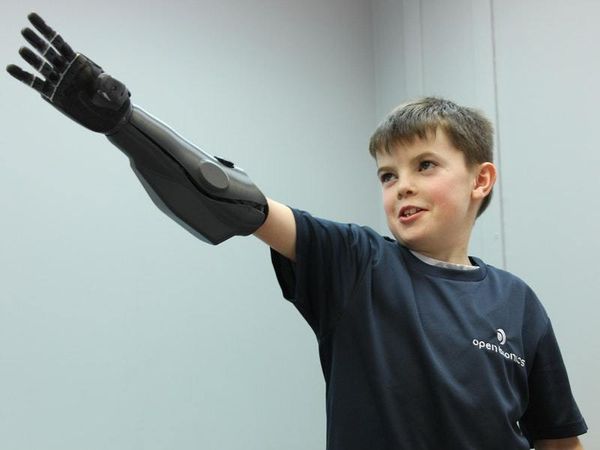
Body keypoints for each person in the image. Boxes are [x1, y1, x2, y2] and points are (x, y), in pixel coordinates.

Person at [8, 13, 587, 450]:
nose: (402, 187)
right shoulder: (356, 263)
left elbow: (558, 439)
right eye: (388, 175)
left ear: (481, 179)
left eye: (425, 166)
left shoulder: (519, 304)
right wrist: (123, 123)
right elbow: (230, 199)